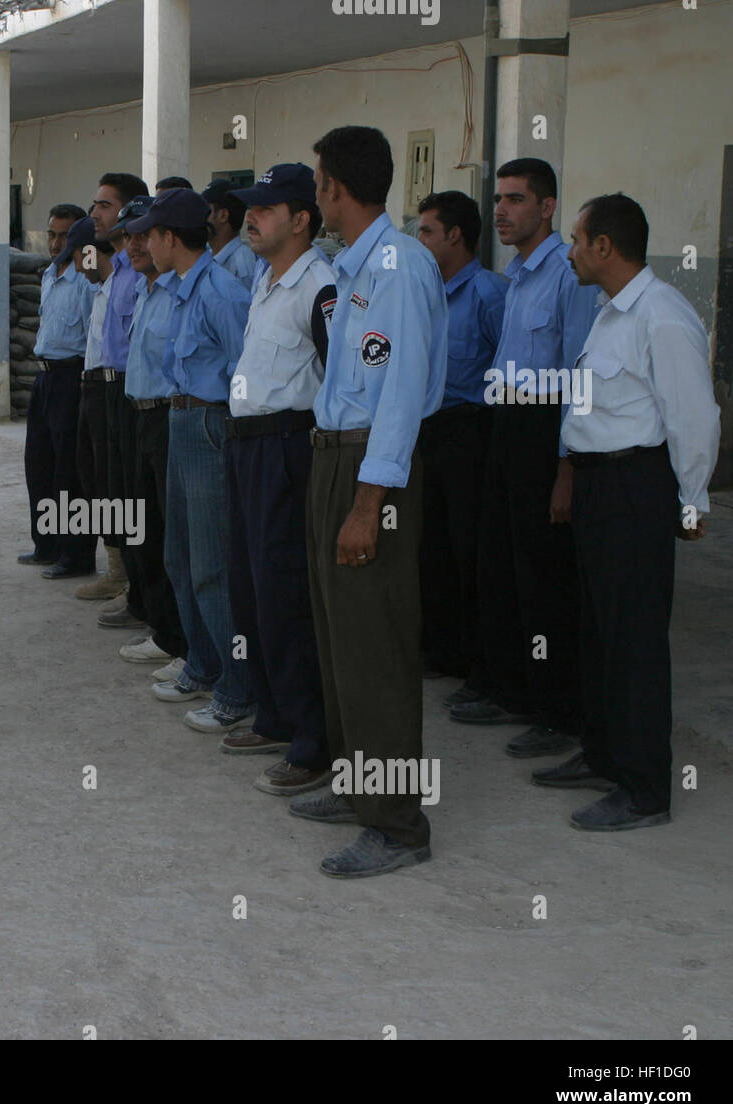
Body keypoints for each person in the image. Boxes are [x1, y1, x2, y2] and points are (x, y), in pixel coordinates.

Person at [290, 126, 447, 878]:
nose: (316, 192)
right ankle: (359, 786)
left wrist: (366, 502)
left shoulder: (402, 269)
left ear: (334, 191)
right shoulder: (356, 269)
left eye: (318, 182)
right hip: (336, 459)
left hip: (371, 472)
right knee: (339, 637)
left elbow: (402, 395)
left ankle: (396, 825)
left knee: (376, 648)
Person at [537, 193, 720, 830]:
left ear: (605, 247)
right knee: (597, 631)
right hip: (597, 486)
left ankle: (644, 791)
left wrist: (692, 504)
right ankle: (602, 754)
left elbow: (694, 418)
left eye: (578, 240)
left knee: (634, 641)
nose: (570, 251)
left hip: (634, 487)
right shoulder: (610, 313)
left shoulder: (662, 316)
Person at [449, 159, 600, 759]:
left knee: (545, 577)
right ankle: (513, 689)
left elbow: (579, 378)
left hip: (545, 433)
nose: (503, 210)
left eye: (516, 199)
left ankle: (558, 711)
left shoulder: (567, 278)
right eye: (499, 198)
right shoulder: (516, 277)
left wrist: (566, 465)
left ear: (548, 207)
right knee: (504, 567)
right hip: (506, 425)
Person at [223, 164, 337, 795]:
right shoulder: (268, 281)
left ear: (300, 219)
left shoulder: (319, 287)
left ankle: (312, 739)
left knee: (288, 597)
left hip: (289, 450)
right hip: (248, 450)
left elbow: (341, 379)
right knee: (251, 590)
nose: (252, 217)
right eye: (251, 207)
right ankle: (272, 714)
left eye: (266, 209)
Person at [126, 188, 253, 732]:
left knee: (212, 567)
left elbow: (244, 369)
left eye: (150, 234)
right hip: (181, 420)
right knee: (179, 556)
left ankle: (238, 687)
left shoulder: (221, 291)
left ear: (170, 238)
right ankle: (202, 665)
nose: (143, 243)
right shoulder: (181, 289)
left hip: (209, 423)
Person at [414, 190, 507, 688]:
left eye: (427, 230)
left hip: (472, 430)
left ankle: (480, 663)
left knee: (471, 548)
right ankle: (442, 649)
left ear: (455, 235)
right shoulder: (424, 291)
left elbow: (506, 368)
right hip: (429, 429)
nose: (419, 239)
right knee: (432, 545)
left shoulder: (491, 294)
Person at [117, 195, 187, 676]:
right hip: (138, 415)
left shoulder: (181, 292)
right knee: (144, 526)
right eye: (129, 237)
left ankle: (181, 641)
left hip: (170, 418)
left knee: (170, 535)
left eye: (145, 235)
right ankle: (161, 629)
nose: (135, 245)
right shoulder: (145, 291)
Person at [82, 173, 150, 602]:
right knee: (110, 485)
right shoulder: (118, 271)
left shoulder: (142, 273)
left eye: (105, 206)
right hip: (108, 387)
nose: (95, 214)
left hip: (133, 391)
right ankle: (121, 572)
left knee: (135, 492)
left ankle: (139, 587)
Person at [20, 204, 97, 576]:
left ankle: (76, 556)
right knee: (39, 466)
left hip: (72, 377)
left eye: (64, 235)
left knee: (70, 472)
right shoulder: (50, 274)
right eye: (51, 234)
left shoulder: (84, 281)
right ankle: (46, 545)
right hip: (45, 377)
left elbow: (91, 336)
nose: (55, 242)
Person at [67, 216, 129, 602]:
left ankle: (123, 572)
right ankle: (115, 565)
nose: (75, 267)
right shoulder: (104, 289)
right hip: (93, 387)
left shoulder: (125, 286)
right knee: (94, 479)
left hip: (112, 390)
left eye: (76, 256)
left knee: (112, 482)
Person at [201, 180, 259, 292]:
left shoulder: (242, 265)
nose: (200, 217)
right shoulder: (208, 255)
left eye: (206, 211)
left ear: (223, 215)